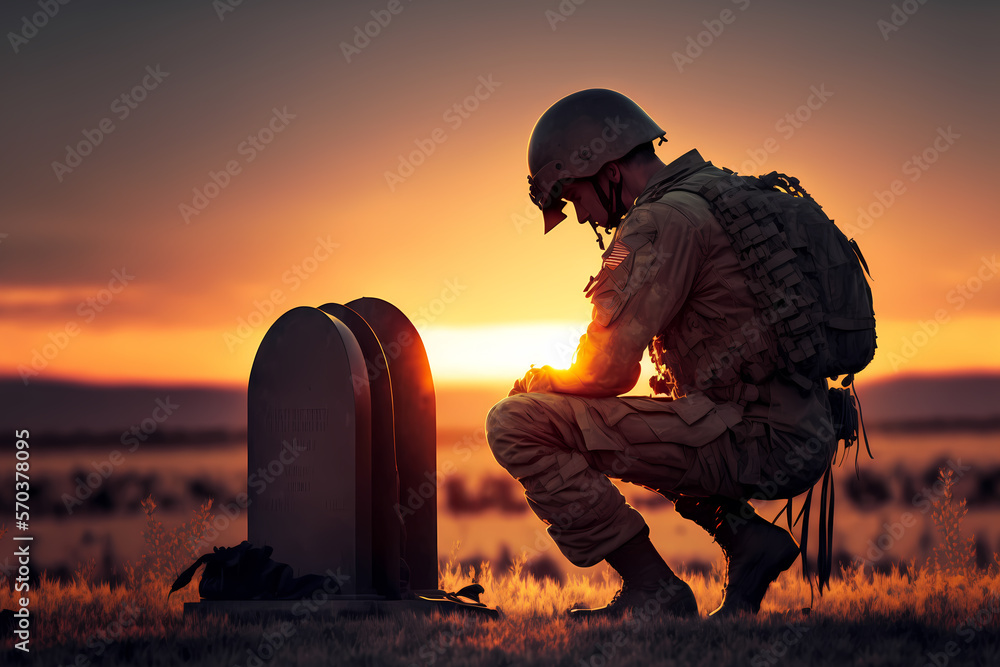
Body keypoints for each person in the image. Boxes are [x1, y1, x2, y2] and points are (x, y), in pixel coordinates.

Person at [485, 89, 840, 619]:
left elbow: (607, 371)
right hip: (797, 425)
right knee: (670, 419)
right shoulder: (718, 192)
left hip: (756, 438)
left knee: (517, 422)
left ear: (608, 171)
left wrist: (544, 382)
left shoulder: (658, 222)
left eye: (575, 197)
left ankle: (652, 588)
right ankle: (749, 544)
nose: (580, 217)